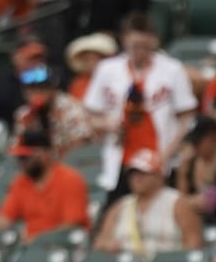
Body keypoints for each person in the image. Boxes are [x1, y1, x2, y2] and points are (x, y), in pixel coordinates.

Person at [83, 13, 197, 198]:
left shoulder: (172, 69)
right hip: (121, 159)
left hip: (159, 158)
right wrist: (107, 124)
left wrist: (166, 154)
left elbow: (187, 117)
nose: (140, 52)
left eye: (145, 46)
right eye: (135, 46)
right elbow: (90, 116)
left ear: (154, 42)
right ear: (125, 40)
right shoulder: (107, 69)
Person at [95, 149, 204, 258]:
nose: (136, 178)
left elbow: (193, 245)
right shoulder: (120, 206)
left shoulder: (177, 203)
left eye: (142, 173)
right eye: (132, 174)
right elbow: (100, 242)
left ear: (159, 176)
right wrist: (107, 244)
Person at [0, 131, 91, 241]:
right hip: (31, 247)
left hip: (64, 245)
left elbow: (71, 225)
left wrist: (38, 240)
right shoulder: (21, 181)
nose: (21, 163)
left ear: (44, 154)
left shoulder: (69, 179)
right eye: (19, 158)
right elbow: (4, 219)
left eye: (25, 158)